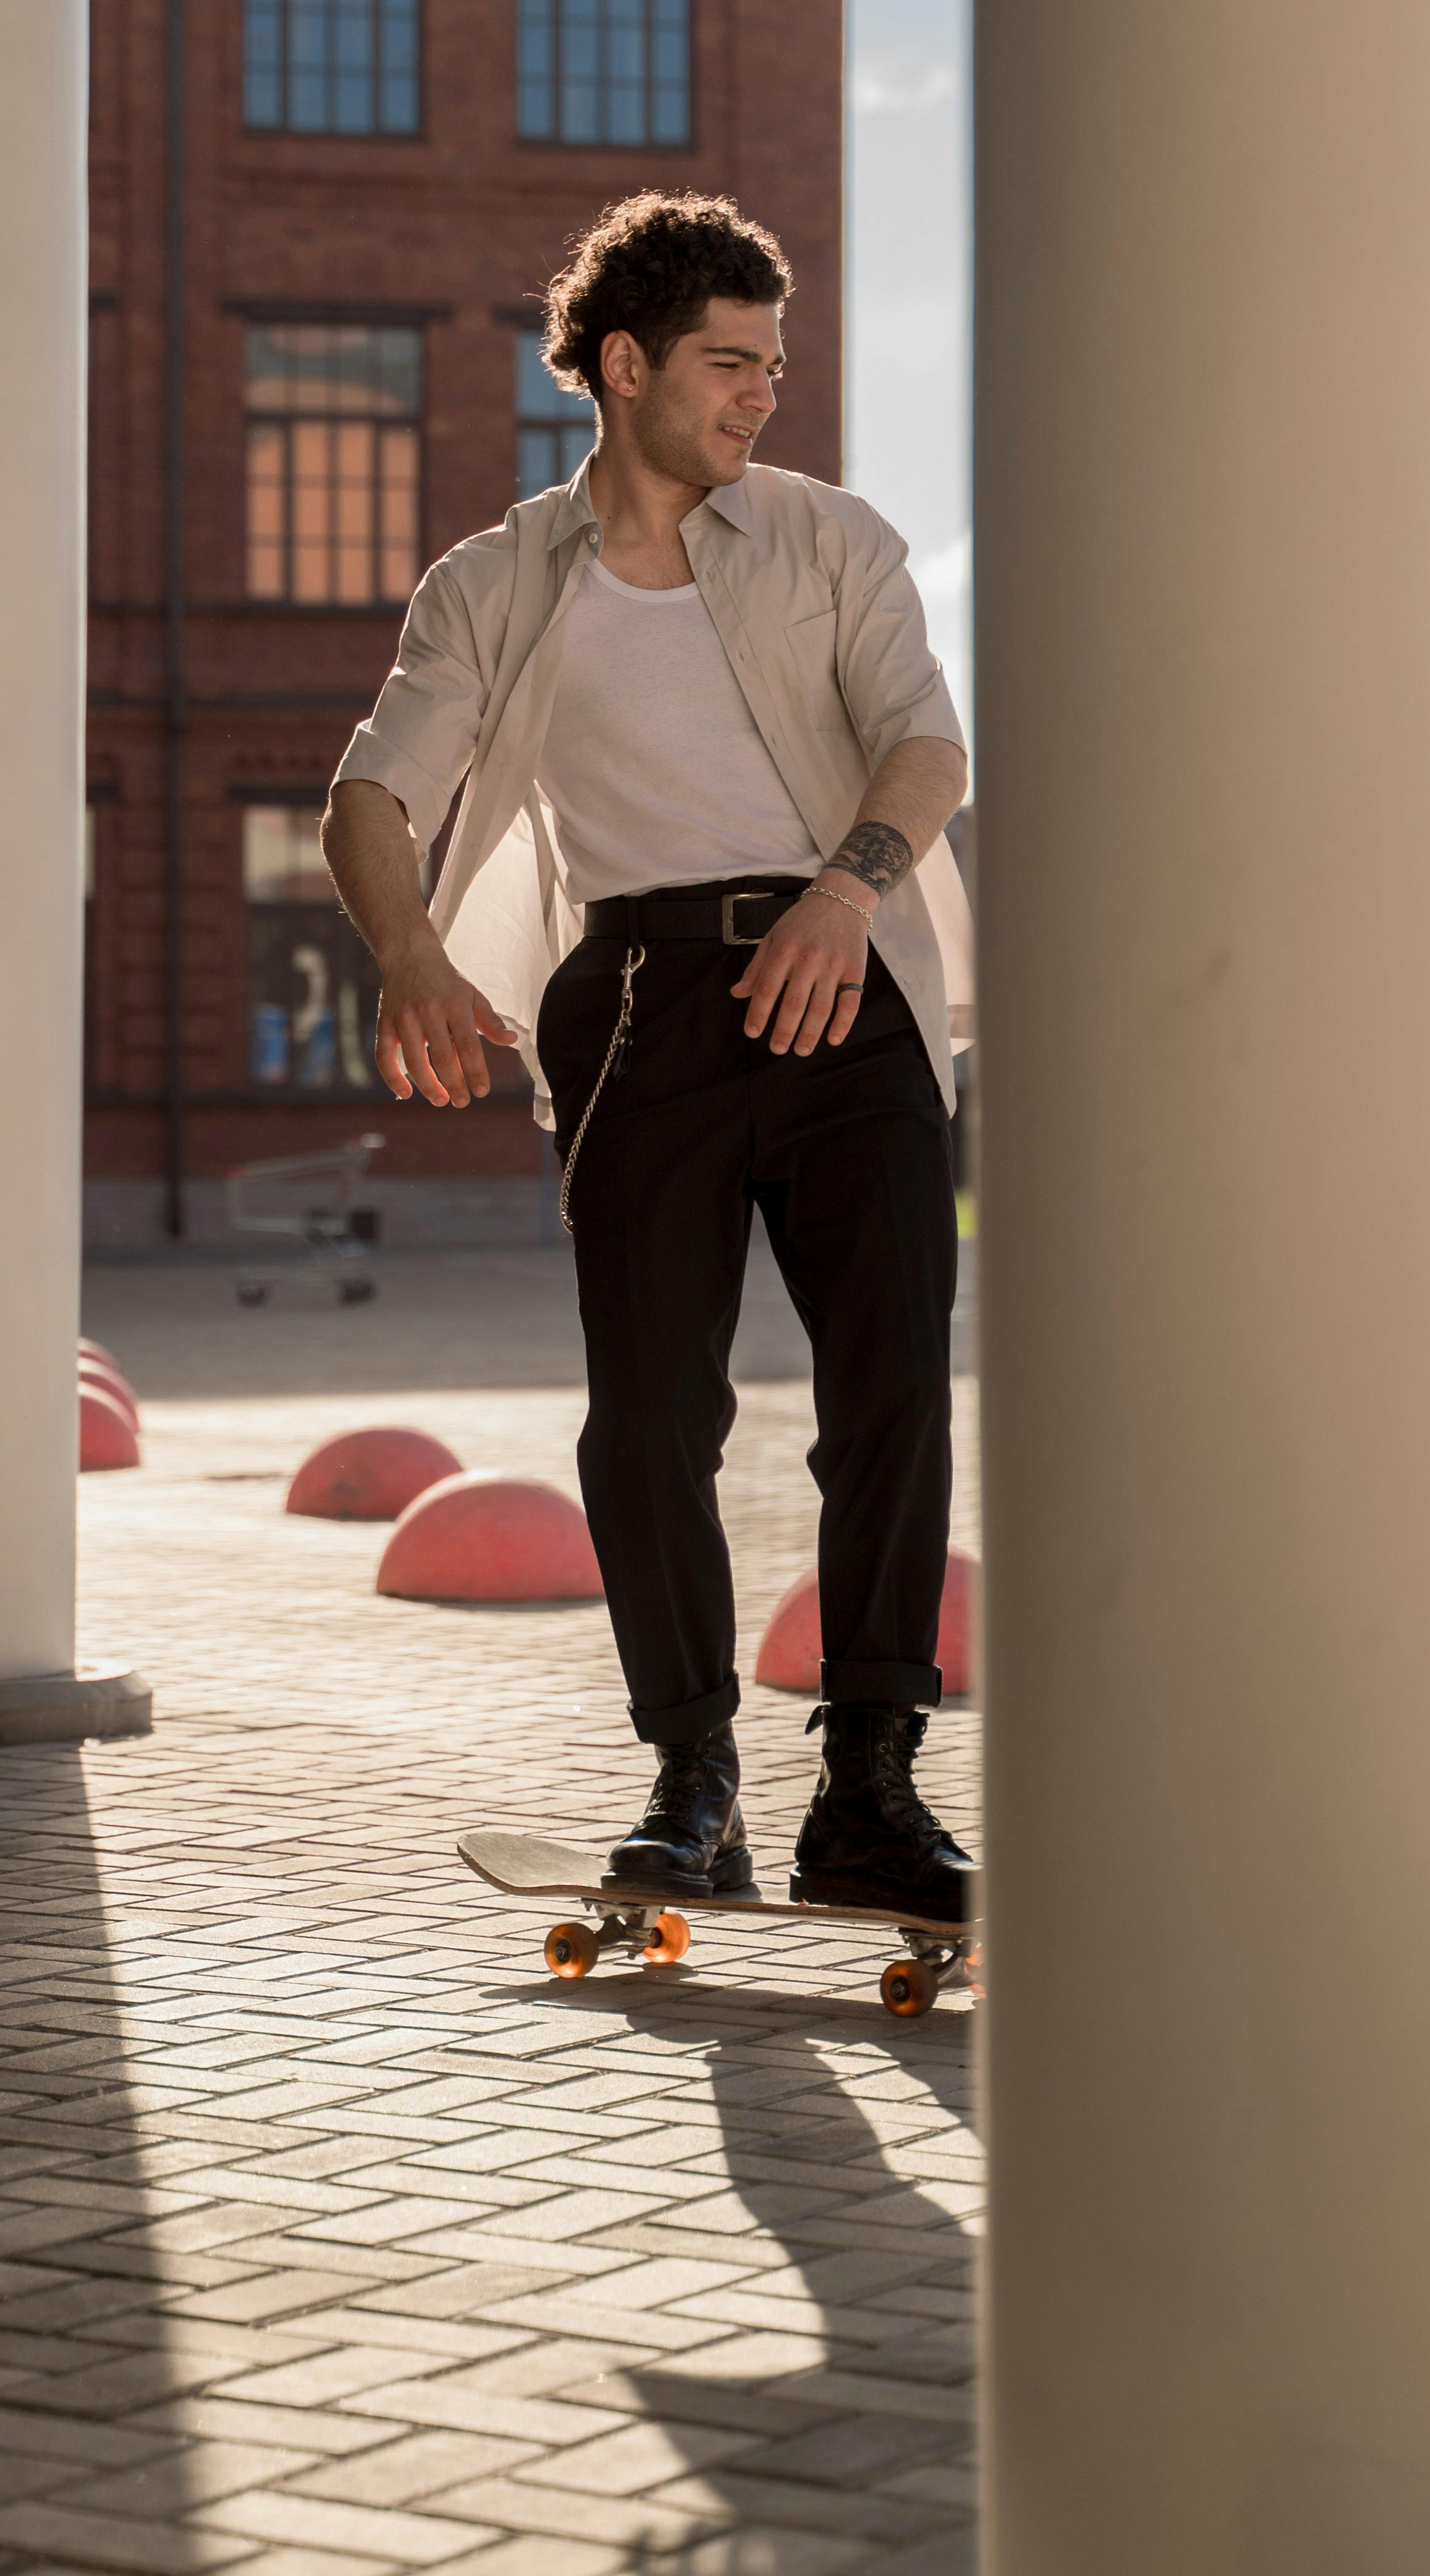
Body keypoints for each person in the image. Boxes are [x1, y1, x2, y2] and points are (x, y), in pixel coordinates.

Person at [321, 190, 975, 1918]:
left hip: (852, 996)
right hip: (637, 1016)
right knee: (649, 1420)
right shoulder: (498, 581)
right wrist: (410, 958)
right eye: (731, 365)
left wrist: (848, 898)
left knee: (894, 1393)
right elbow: (373, 792)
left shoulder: (833, 542)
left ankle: (874, 1787)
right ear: (625, 367)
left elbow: (924, 745)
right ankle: (693, 1777)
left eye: (777, 363)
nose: (766, 394)